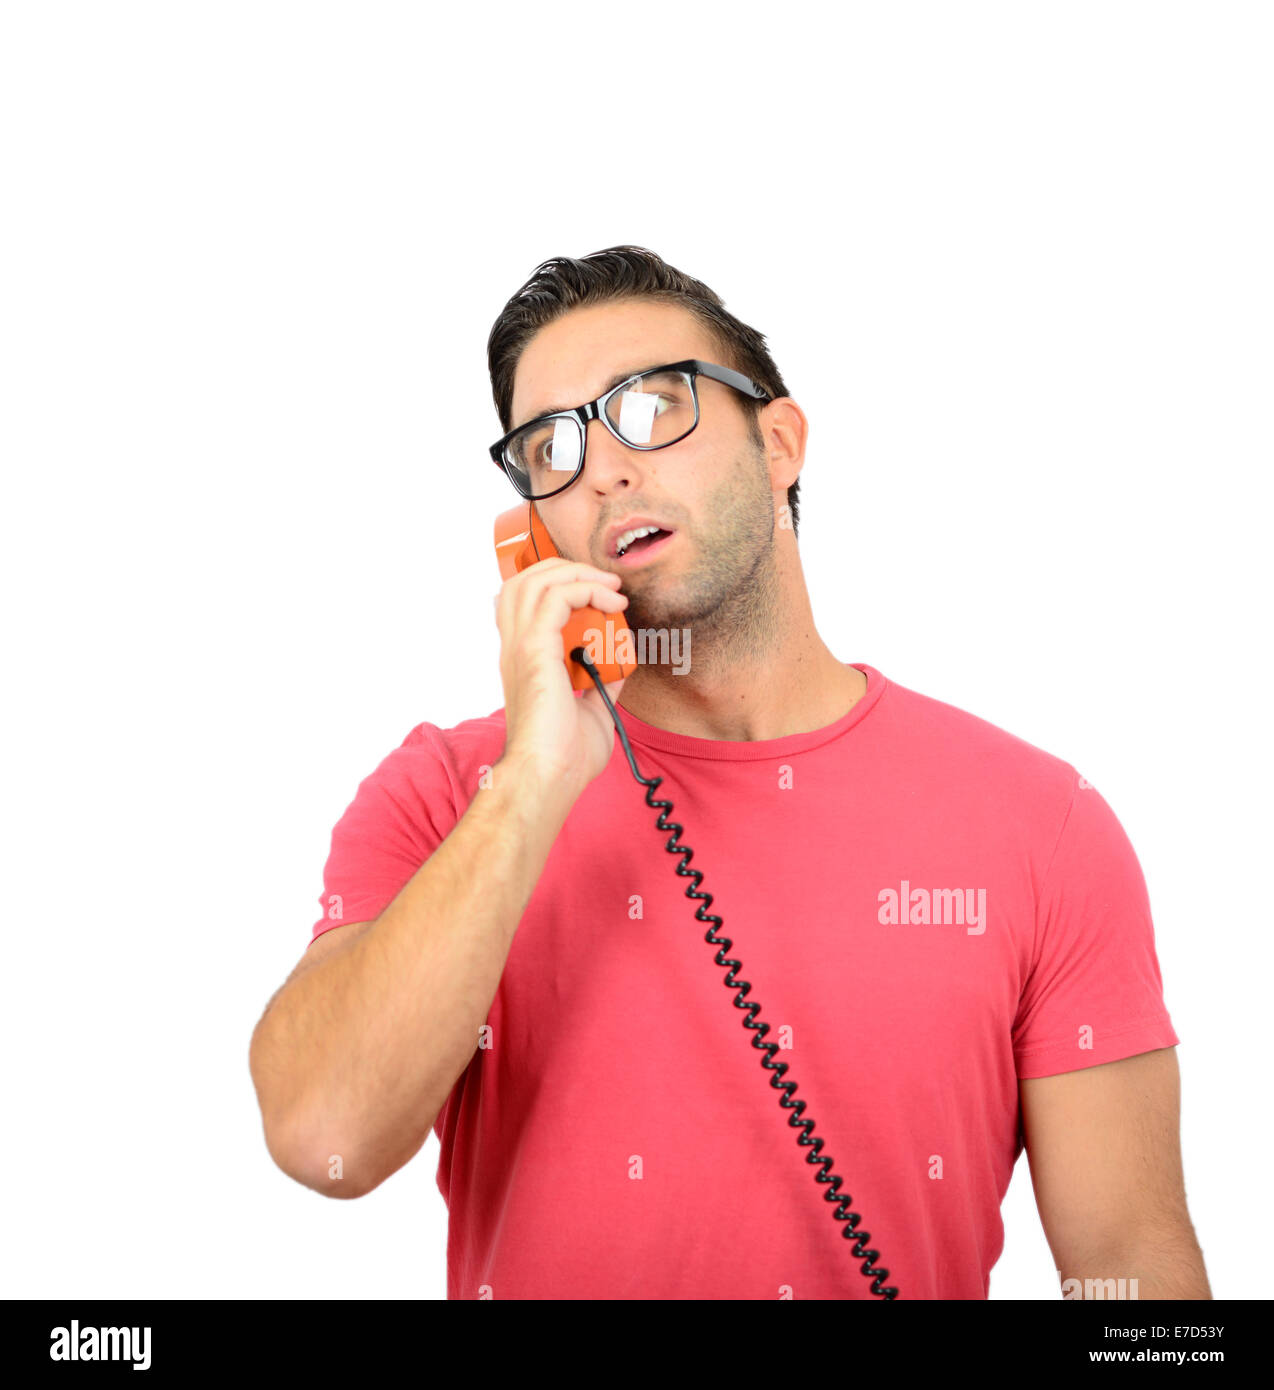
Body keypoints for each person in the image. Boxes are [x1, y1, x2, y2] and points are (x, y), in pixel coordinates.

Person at [249, 245, 1209, 1300]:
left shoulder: (1041, 827)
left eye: (651, 408)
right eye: (551, 447)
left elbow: (1128, 1271)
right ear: (530, 530)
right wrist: (533, 780)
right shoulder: (445, 794)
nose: (605, 469)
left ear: (780, 441)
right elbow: (322, 1132)